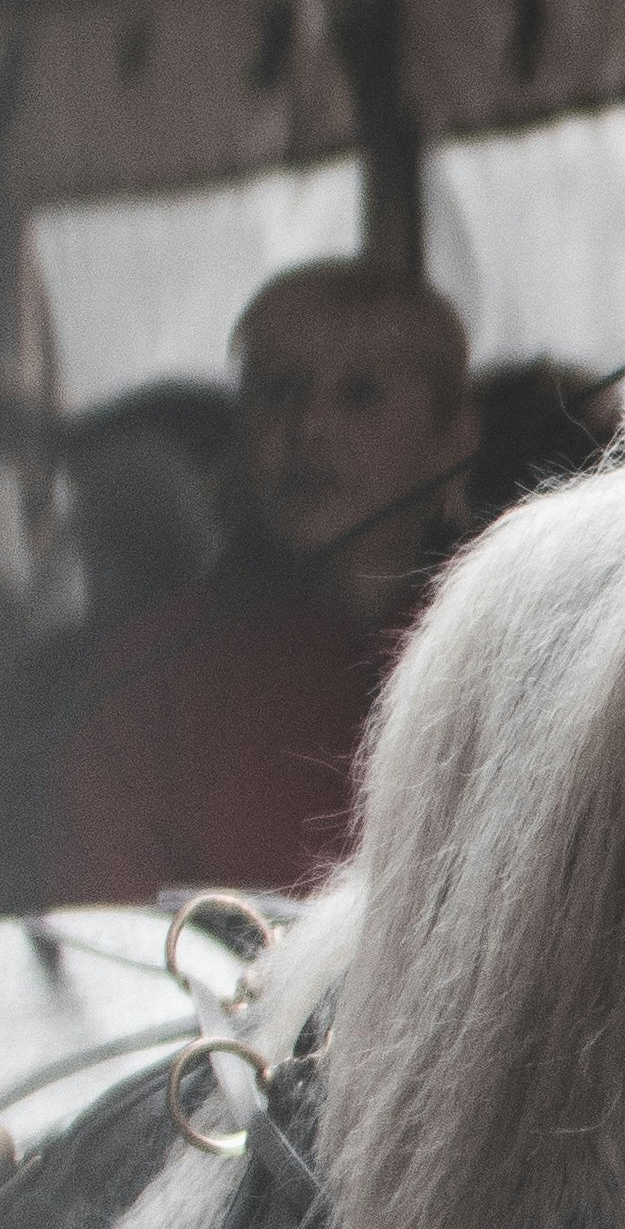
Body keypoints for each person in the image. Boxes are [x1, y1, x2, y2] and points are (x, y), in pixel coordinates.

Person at [33, 258, 478, 906]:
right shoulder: (151, 673)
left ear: (450, 441)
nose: (310, 428)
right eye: (279, 390)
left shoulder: (504, 649)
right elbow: (102, 935)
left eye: (359, 394)